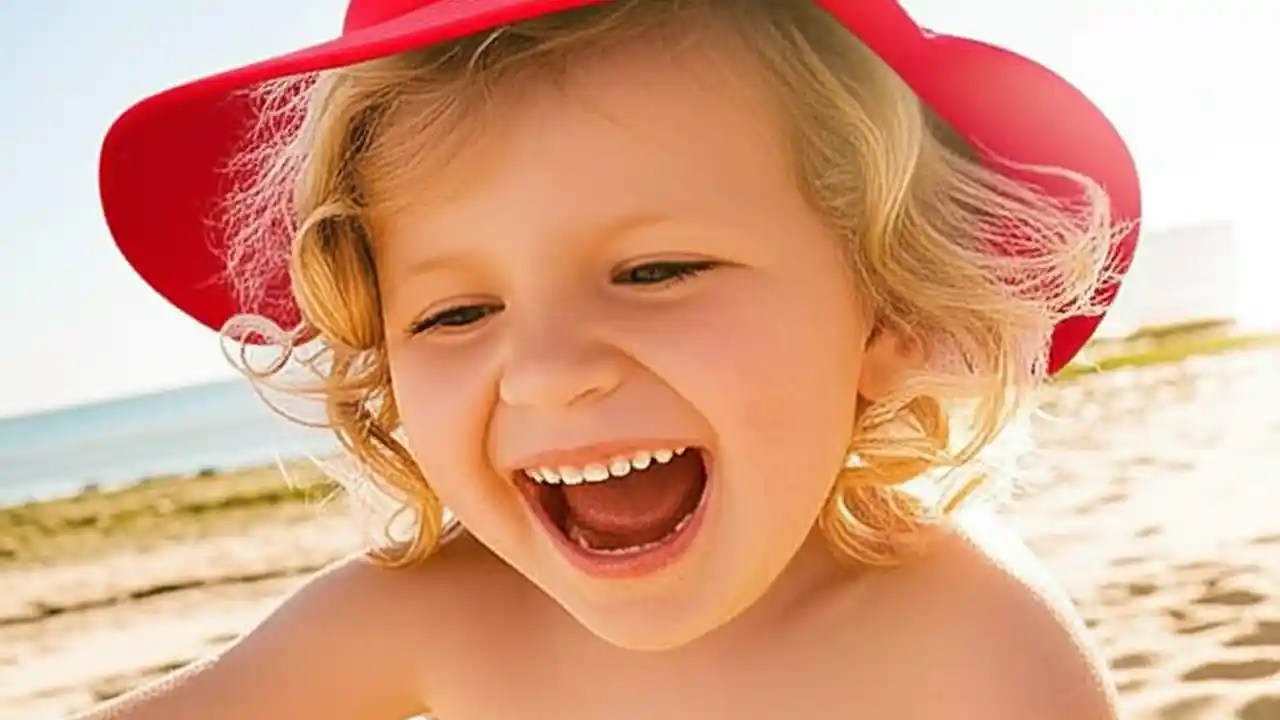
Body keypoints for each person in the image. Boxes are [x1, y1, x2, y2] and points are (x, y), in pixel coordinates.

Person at [85, 0, 1141, 717]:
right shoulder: (433, 616)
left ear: (885, 313)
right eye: (455, 313)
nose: (547, 371)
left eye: (655, 271)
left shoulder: (966, 638)